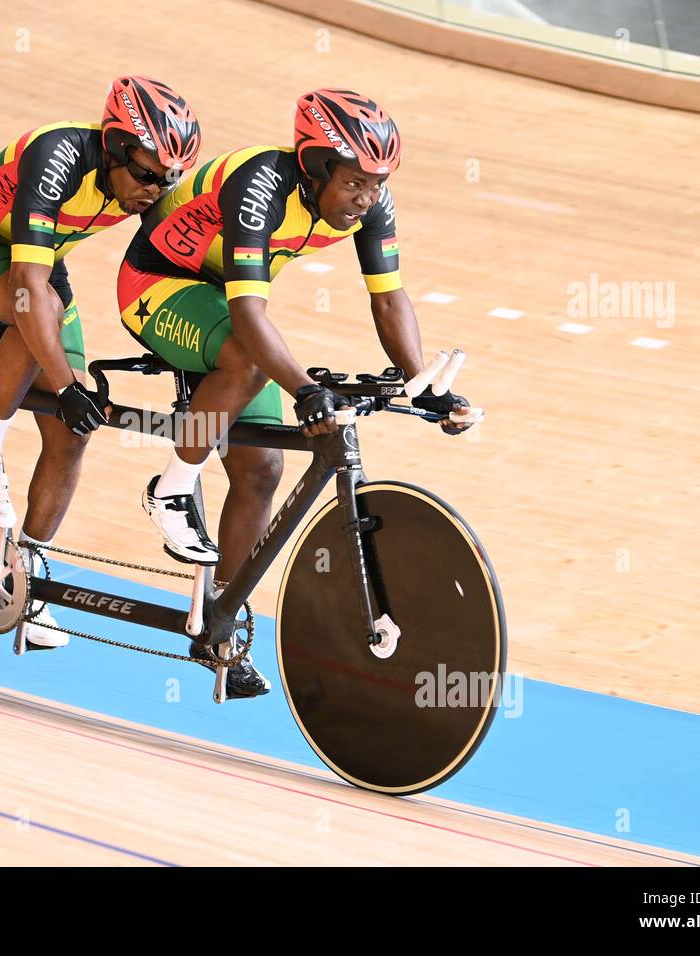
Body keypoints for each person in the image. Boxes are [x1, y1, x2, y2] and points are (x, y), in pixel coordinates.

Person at [117, 88, 479, 697]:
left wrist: (420, 384)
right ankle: (172, 485)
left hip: (223, 304)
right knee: (247, 361)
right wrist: (306, 390)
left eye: (376, 184)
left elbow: (388, 297)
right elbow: (249, 314)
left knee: (261, 470)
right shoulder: (260, 180)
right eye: (354, 183)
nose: (366, 199)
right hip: (159, 285)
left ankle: (220, 630)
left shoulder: (372, 203)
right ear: (314, 166)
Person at [0, 76, 200, 647]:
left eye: (169, 178)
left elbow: (171, 263)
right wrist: (64, 381)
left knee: (71, 432)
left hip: (40, 261)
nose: (156, 189)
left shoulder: (147, 185)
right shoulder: (59, 154)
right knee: (38, 311)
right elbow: (26, 285)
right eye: (147, 174)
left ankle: (25, 572)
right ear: (115, 148)